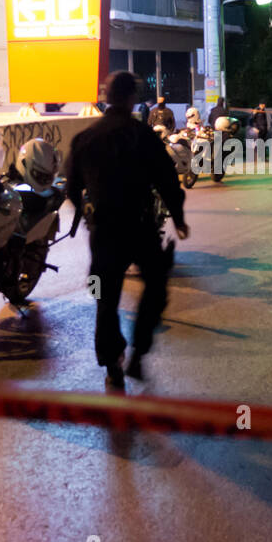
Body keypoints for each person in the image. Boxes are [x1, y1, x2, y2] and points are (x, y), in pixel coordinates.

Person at [66, 71, 189, 388]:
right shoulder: (142, 135)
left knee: (101, 297)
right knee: (156, 285)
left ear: (107, 97)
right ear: (131, 99)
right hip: (140, 229)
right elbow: (166, 179)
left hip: (103, 234)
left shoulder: (85, 139)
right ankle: (138, 352)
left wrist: (85, 217)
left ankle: (112, 365)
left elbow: (71, 189)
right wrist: (177, 218)